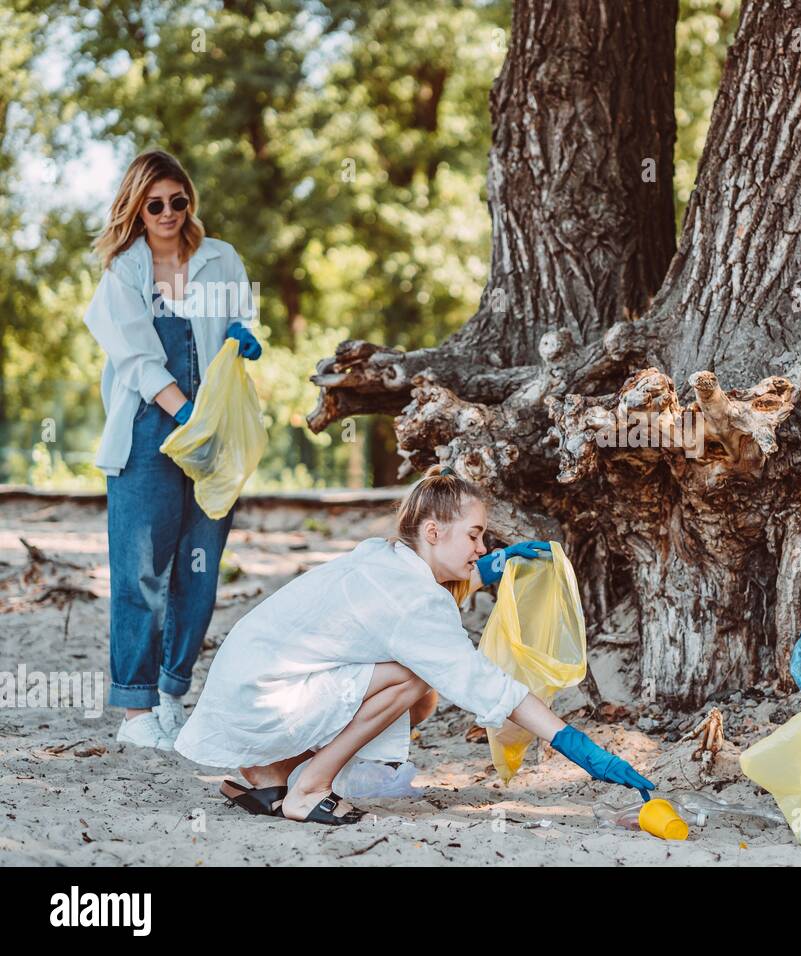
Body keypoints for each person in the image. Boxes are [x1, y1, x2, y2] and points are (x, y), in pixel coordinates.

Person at [173, 470, 655, 824]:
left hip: (249, 688)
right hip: (261, 700)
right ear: (432, 532)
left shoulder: (386, 557)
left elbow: (408, 605)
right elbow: (480, 682)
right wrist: (581, 749)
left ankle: (270, 774)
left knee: (417, 690)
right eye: (474, 535)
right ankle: (308, 787)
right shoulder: (414, 600)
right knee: (415, 677)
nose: (482, 547)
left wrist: (488, 570)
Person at [84, 149, 264, 751]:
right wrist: (184, 413)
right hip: (148, 429)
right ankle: (135, 713)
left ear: (190, 201)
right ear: (137, 208)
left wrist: (244, 335)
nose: (167, 212)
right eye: (153, 203)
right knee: (141, 568)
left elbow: (243, 316)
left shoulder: (222, 259)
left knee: (200, 565)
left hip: (213, 432)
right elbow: (136, 357)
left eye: (177, 200)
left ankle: (169, 693)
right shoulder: (123, 273)